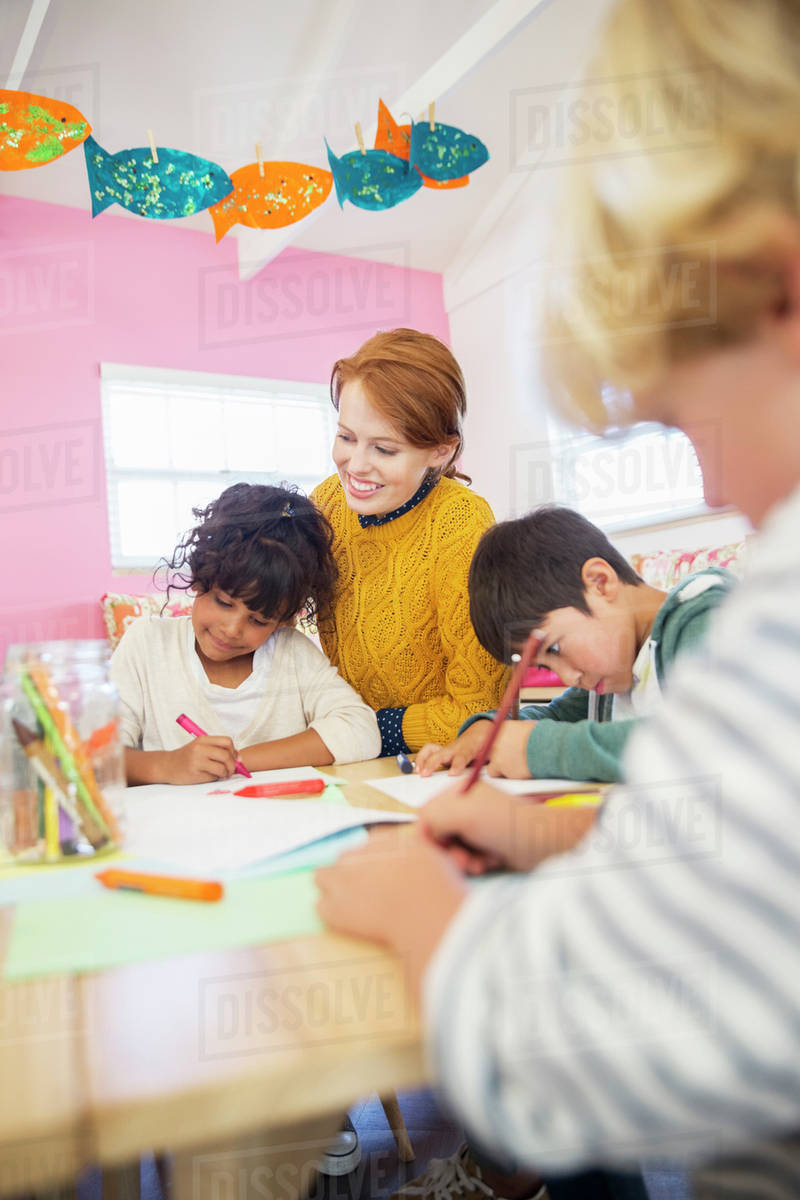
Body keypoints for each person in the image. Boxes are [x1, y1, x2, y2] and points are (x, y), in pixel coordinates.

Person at [315, 0, 800, 1196]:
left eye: (685, 418)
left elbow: (615, 1054)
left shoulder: (750, 610)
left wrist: (422, 913)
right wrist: (537, 824)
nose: (715, 483)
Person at [417, 505, 733, 782]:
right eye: (544, 665)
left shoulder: (705, 614)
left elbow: (708, 735)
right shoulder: (612, 675)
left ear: (599, 582)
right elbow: (557, 716)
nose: (567, 678)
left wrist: (542, 750)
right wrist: (489, 730)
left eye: (554, 648)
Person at [311, 328, 507, 758]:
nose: (355, 465)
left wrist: (357, 730)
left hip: (430, 760)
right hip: (344, 750)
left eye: (384, 449)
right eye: (346, 437)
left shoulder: (462, 524)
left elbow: (476, 710)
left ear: (441, 451)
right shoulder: (325, 502)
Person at [111, 482, 380, 784]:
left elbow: (361, 730)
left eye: (259, 620)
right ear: (200, 580)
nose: (232, 629)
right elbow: (97, 758)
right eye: (224, 602)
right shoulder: (148, 644)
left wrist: (236, 760)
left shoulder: (291, 654)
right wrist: (166, 765)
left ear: (282, 620)